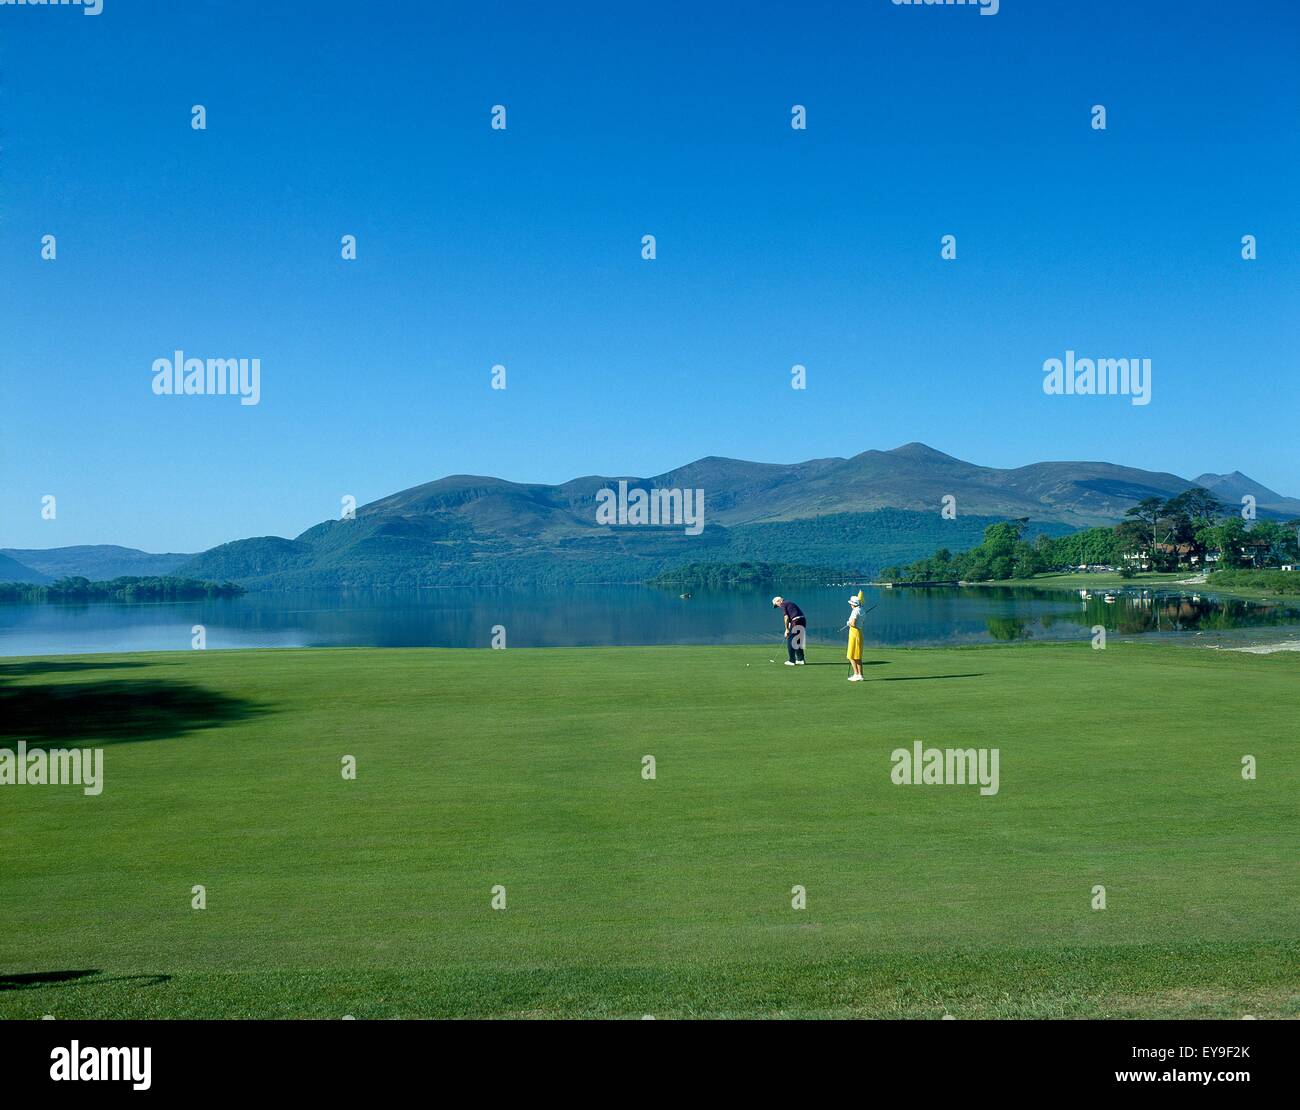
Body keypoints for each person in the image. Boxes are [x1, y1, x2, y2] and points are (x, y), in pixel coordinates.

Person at [771, 596, 806, 665]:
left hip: (796, 621)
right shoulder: (789, 603)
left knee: (790, 639)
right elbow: (792, 616)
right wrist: (788, 627)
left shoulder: (783, 604)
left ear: (779, 601)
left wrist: (787, 629)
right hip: (802, 620)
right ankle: (800, 659)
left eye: (777, 605)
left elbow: (786, 617)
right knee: (797, 640)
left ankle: (791, 660)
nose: (778, 606)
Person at [845, 594, 865, 681]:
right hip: (858, 632)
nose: (850, 605)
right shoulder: (861, 610)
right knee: (857, 656)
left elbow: (853, 623)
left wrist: (848, 623)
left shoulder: (855, 611)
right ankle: (859, 675)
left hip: (854, 633)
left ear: (854, 604)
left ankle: (856, 674)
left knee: (851, 656)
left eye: (851, 604)